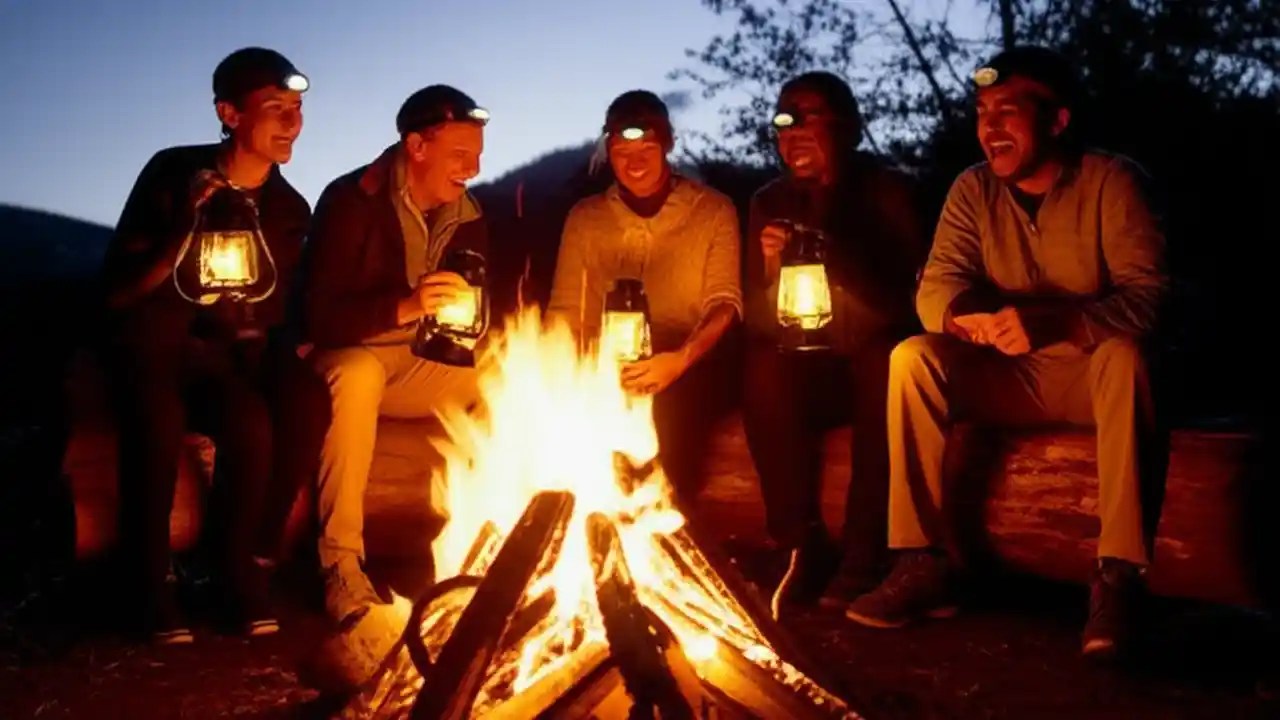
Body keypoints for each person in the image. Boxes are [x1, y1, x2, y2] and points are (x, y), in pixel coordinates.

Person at [844, 46, 1169, 661]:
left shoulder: (1112, 181)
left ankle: (1120, 578)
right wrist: (968, 317)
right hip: (1009, 375)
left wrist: (1060, 322)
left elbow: (1152, 298)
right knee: (912, 357)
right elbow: (936, 284)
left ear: (1057, 121)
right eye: (982, 112)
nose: (990, 127)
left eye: (1008, 111)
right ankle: (922, 561)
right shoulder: (972, 190)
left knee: (1126, 356)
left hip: (1089, 377)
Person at [101, 47, 312, 643]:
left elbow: (261, 320)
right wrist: (182, 231)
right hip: (149, 347)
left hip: (214, 360)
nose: (292, 123)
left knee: (250, 423)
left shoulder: (289, 209)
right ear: (229, 112)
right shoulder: (174, 174)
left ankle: (231, 570)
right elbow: (118, 293)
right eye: (275, 108)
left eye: (297, 108)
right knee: (157, 411)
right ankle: (144, 582)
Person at [740, 72, 929, 614]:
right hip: (812, 373)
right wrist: (774, 269)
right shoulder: (770, 201)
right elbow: (756, 319)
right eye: (782, 120)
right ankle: (799, 544)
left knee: (883, 359)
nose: (792, 130)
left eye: (808, 117)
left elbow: (911, 303)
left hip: (875, 368)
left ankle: (866, 553)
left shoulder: (889, 191)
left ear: (848, 127)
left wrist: (834, 249)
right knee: (762, 365)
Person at [301, 85, 489, 627]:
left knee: (506, 375)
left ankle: (488, 547)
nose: (471, 169)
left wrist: (476, 330)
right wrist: (406, 305)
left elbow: (472, 310)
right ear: (417, 146)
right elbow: (318, 317)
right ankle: (340, 566)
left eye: (477, 156)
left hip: (415, 363)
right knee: (358, 374)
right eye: (459, 155)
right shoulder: (352, 200)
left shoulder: (469, 215)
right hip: (346, 354)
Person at [547, 90, 742, 503]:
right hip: (604, 362)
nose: (634, 163)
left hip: (689, 362)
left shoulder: (711, 211)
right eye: (621, 151)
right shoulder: (586, 219)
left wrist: (680, 360)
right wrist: (572, 371)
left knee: (671, 415)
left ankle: (670, 532)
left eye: (647, 149)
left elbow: (724, 303)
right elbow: (565, 312)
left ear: (668, 143)